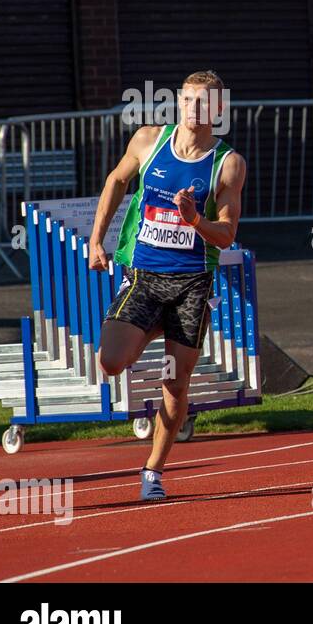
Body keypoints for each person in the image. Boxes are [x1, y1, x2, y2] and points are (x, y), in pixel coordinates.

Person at [88, 70, 247, 501]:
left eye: (205, 102)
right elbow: (116, 181)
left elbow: (227, 233)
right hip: (144, 277)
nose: (195, 110)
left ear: (219, 109)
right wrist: (96, 240)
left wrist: (196, 219)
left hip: (191, 287)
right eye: (189, 101)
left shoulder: (227, 163)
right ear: (178, 103)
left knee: (175, 387)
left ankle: (153, 472)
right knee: (111, 361)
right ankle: (150, 326)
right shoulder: (148, 140)